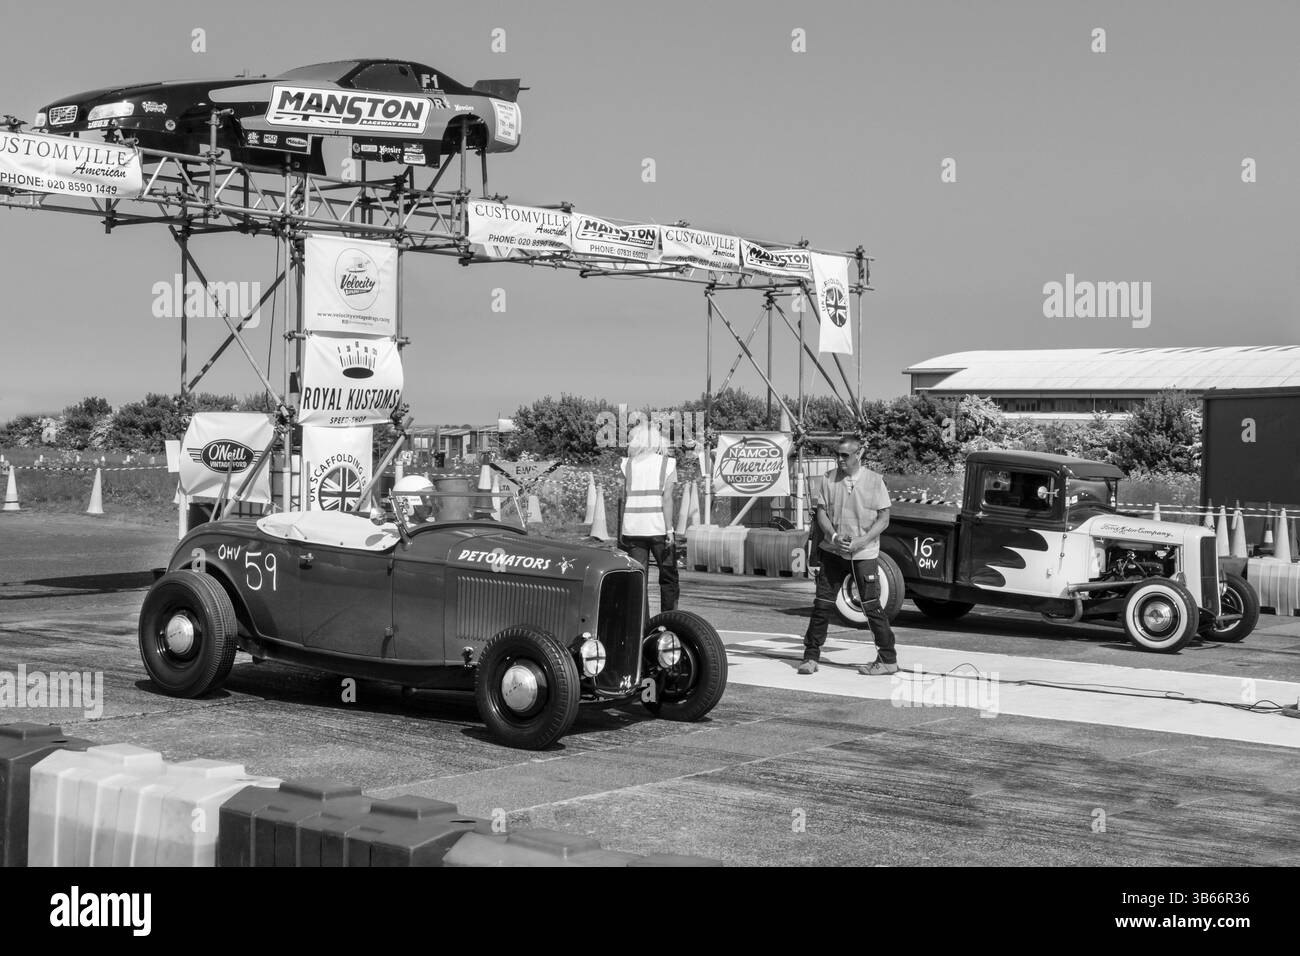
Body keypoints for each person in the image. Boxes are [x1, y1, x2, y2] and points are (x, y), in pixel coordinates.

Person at [799, 435, 899, 676]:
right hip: (833, 550)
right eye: (838, 455)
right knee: (822, 605)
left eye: (845, 455)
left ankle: (888, 659)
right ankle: (811, 657)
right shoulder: (828, 479)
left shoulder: (875, 481)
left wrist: (862, 541)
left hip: (863, 552)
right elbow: (821, 514)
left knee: (871, 606)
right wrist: (834, 537)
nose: (840, 459)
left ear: (859, 454)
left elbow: (884, 518)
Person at [619, 421, 679, 613]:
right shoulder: (667, 464)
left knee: (638, 579)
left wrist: (621, 531)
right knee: (668, 577)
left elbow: (624, 498)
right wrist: (670, 530)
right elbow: (667, 500)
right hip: (659, 529)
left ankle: (640, 626)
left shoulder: (627, 464)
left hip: (633, 530)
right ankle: (668, 622)